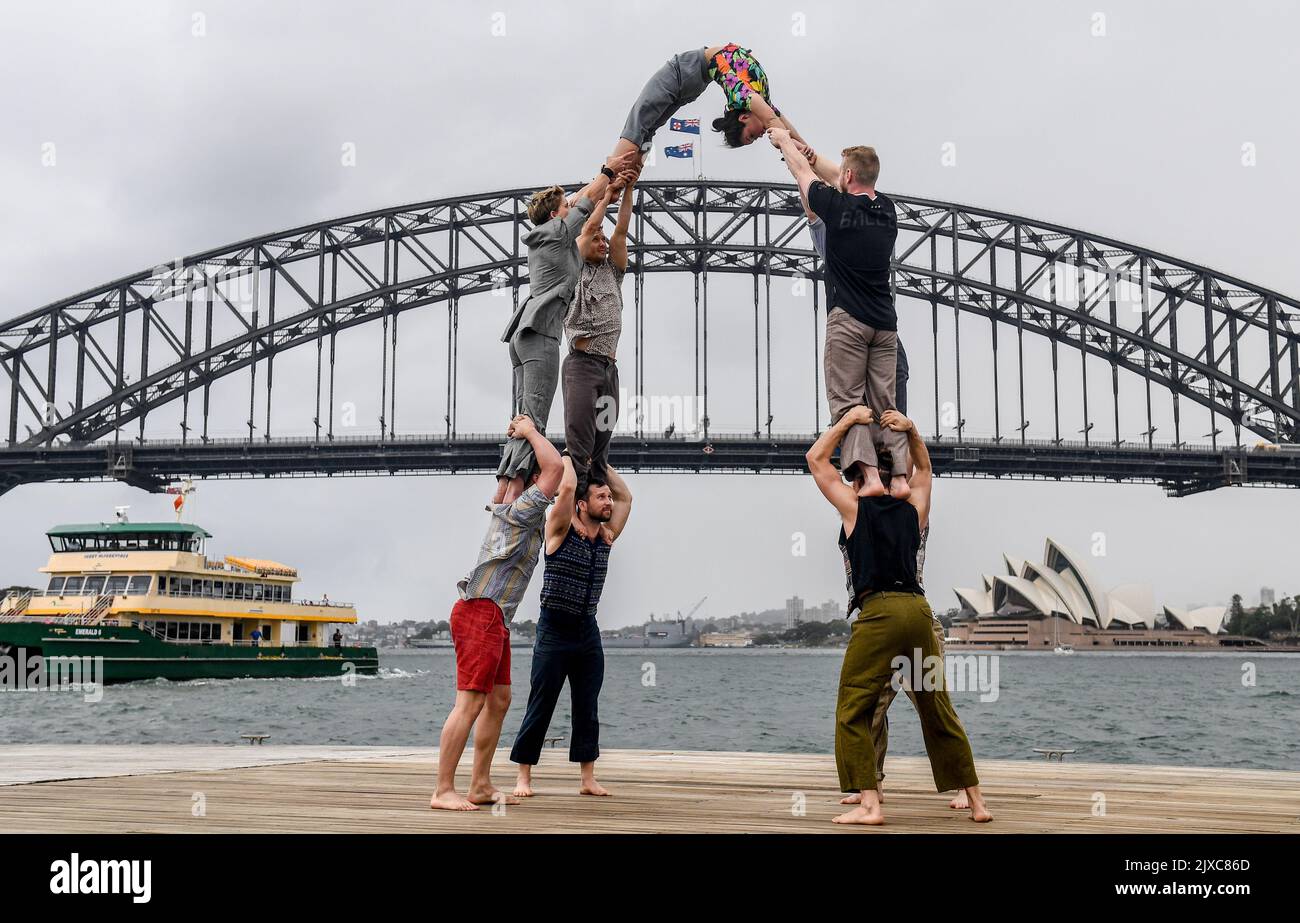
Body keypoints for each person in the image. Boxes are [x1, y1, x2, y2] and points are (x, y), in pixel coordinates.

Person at [805, 406, 991, 825]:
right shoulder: (915, 512)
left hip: (880, 612)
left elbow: (816, 460)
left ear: (862, 478)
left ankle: (870, 805)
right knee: (936, 708)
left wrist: (848, 423)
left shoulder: (855, 509)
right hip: (919, 611)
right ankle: (978, 803)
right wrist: (912, 430)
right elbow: (925, 472)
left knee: (854, 706)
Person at [430, 413, 564, 812]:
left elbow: (536, 476)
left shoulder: (512, 506)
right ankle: (442, 790)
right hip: (480, 612)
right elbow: (556, 468)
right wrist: (529, 432)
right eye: (545, 487)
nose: (553, 494)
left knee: (500, 699)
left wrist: (524, 439)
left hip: (494, 616)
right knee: (469, 702)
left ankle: (481, 784)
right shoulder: (523, 510)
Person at [770, 126, 910, 499]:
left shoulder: (835, 207)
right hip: (885, 326)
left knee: (848, 403)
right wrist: (812, 153)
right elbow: (837, 175)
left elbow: (804, 176)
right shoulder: (887, 210)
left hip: (849, 321)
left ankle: (870, 475)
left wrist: (784, 143)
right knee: (886, 406)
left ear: (848, 177)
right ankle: (897, 477)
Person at [494, 153, 639, 505]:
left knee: (596, 437)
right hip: (568, 355)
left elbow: (600, 219)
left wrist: (621, 188)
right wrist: (608, 177)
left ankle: (509, 493)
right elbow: (586, 216)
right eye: (565, 206)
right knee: (549, 429)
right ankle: (518, 499)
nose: (602, 241)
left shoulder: (580, 257)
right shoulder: (562, 239)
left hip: (604, 367)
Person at [510, 458, 632, 799]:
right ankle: (523, 777)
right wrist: (572, 458)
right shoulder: (560, 529)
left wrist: (601, 461)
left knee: (586, 705)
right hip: (553, 629)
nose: (608, 502)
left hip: (587, 630)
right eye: (601, 498)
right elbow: (564, 488)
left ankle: (587, 778)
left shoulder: (607, 536)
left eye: (607, 498)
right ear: (582, 504)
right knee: (541, 703)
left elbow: (627, 498)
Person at [563, 170, 636, 494]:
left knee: (602, 446)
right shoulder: (572, 268)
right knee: (580, 444)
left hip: (609, 371)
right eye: (598, 240)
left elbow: (621, 229)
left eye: (604, 241)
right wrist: (607, 195)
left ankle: (594, 504)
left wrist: (630, 189)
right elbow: (589, 227)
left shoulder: (613, 272)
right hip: (582, 367)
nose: (604, 242)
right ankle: (575, 508)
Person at [613, 43, 815, 159]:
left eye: (751, 136)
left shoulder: (744, 97)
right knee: (642, 132)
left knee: (638, 127)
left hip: (681, 74)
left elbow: (778, 126)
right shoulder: (751, 99)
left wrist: (803, 151)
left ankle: (609, 177)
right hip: (686, 77)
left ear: (743, 118)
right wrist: (800, 149)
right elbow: (779, 125)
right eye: (752, 138)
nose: (761, 136)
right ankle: (612, 176)